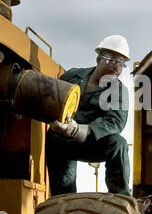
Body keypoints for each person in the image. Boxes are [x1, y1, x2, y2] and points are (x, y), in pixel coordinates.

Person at [46, 35, 132, 197]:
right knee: (64, 193)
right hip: (62, 141)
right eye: (112, 60)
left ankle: (121, 199)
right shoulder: (73, 76)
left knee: (118, 143)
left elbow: (115, 122)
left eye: (121, 63)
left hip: (92, 142)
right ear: (99, 58)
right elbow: (54, 97)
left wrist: (79, 130)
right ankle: (62, 201)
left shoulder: (118, 91)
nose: (117, 67)